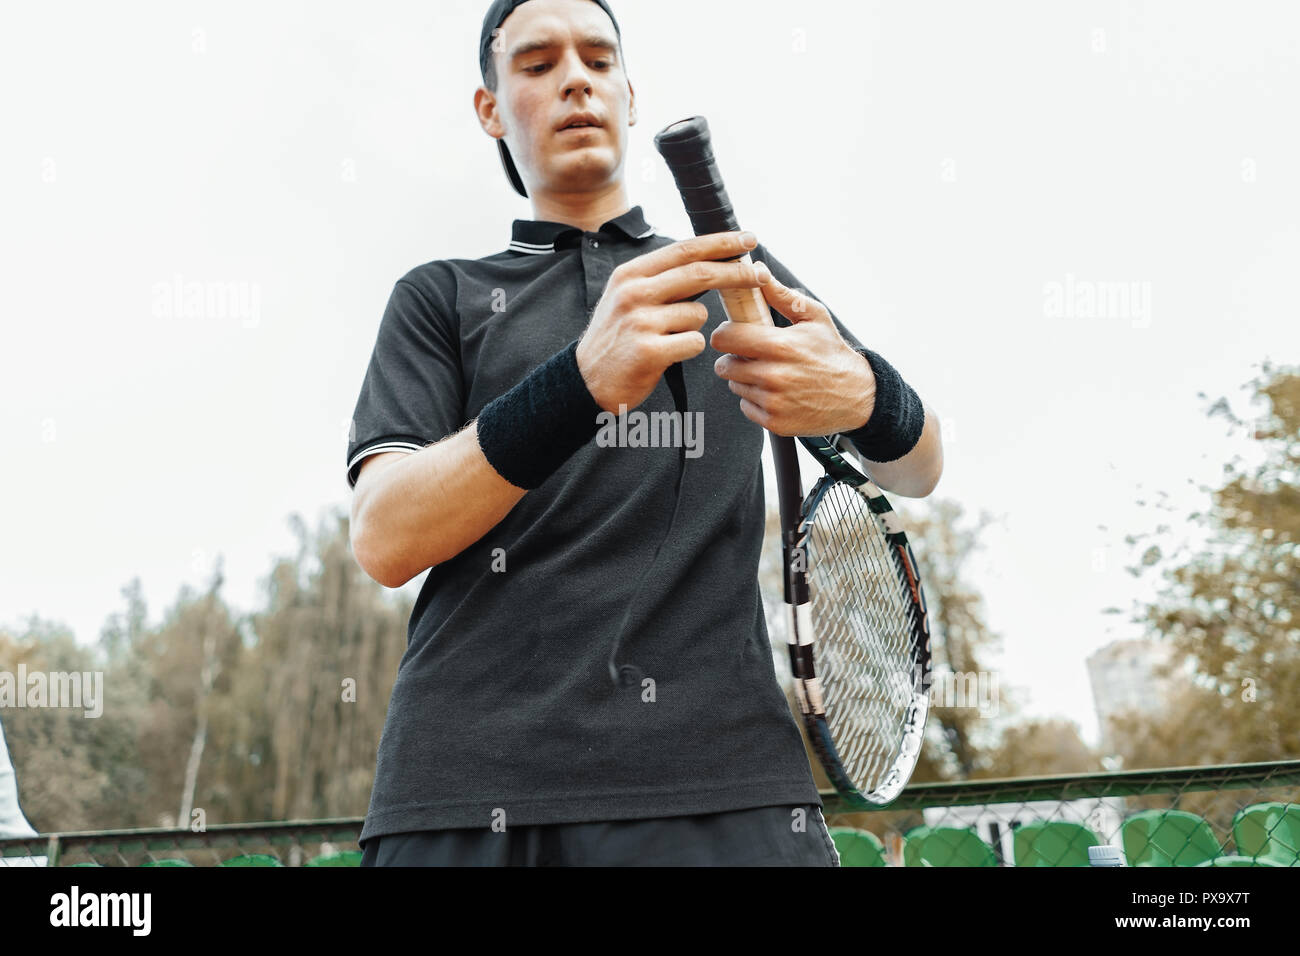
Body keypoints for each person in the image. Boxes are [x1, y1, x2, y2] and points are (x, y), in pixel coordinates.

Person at [345, 0, 943, 866]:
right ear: (490, 109)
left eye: (598, 58)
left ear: (630, 95)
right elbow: (385, 537)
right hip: (462, 795)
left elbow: (919, 465)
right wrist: (582, 381)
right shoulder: (439, 295)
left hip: (730, 789)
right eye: (537, 63)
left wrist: (864, 392)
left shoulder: (734, 273)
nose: (575, 79)